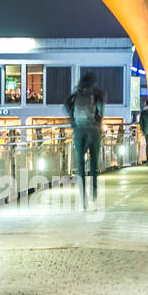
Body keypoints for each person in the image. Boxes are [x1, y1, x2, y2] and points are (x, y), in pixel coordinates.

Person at [63, 71, 105, 209]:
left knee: (80, 164)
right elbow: (100, 110)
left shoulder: (76, 94)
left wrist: (73, 123)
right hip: (93, 130)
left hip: (79, 130)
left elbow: (65, 106)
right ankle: (93, 193)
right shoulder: (97, 93)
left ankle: (82, 199)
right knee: (93, 163)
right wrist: (98, 123)